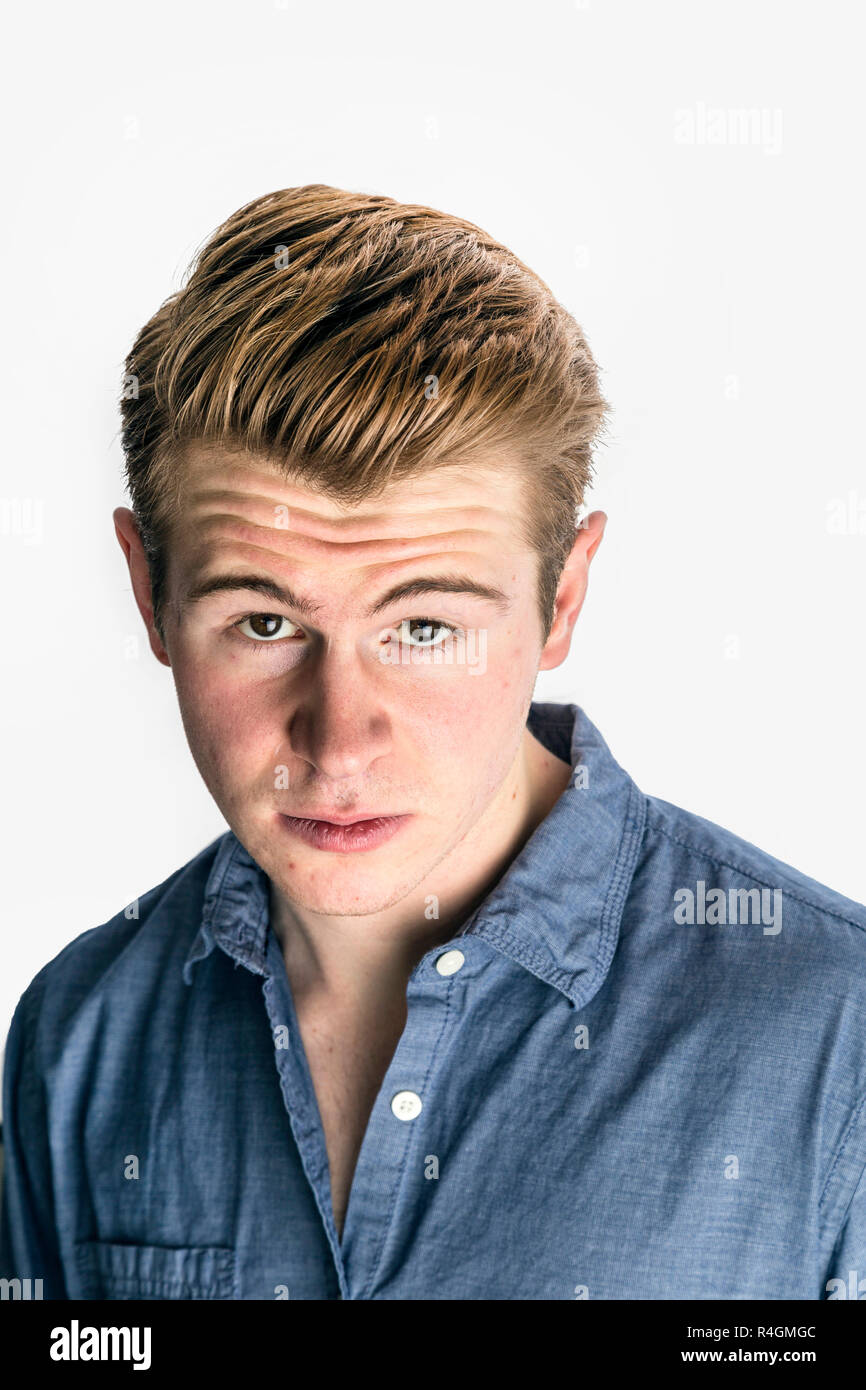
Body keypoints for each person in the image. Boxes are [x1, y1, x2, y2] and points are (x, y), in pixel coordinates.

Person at [2, 186, 864, 1301]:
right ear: (150, 594)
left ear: (561, 599)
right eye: (264, 623)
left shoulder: (838, 1041)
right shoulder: (81, 1036)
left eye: (422, 627)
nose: (339, 742)